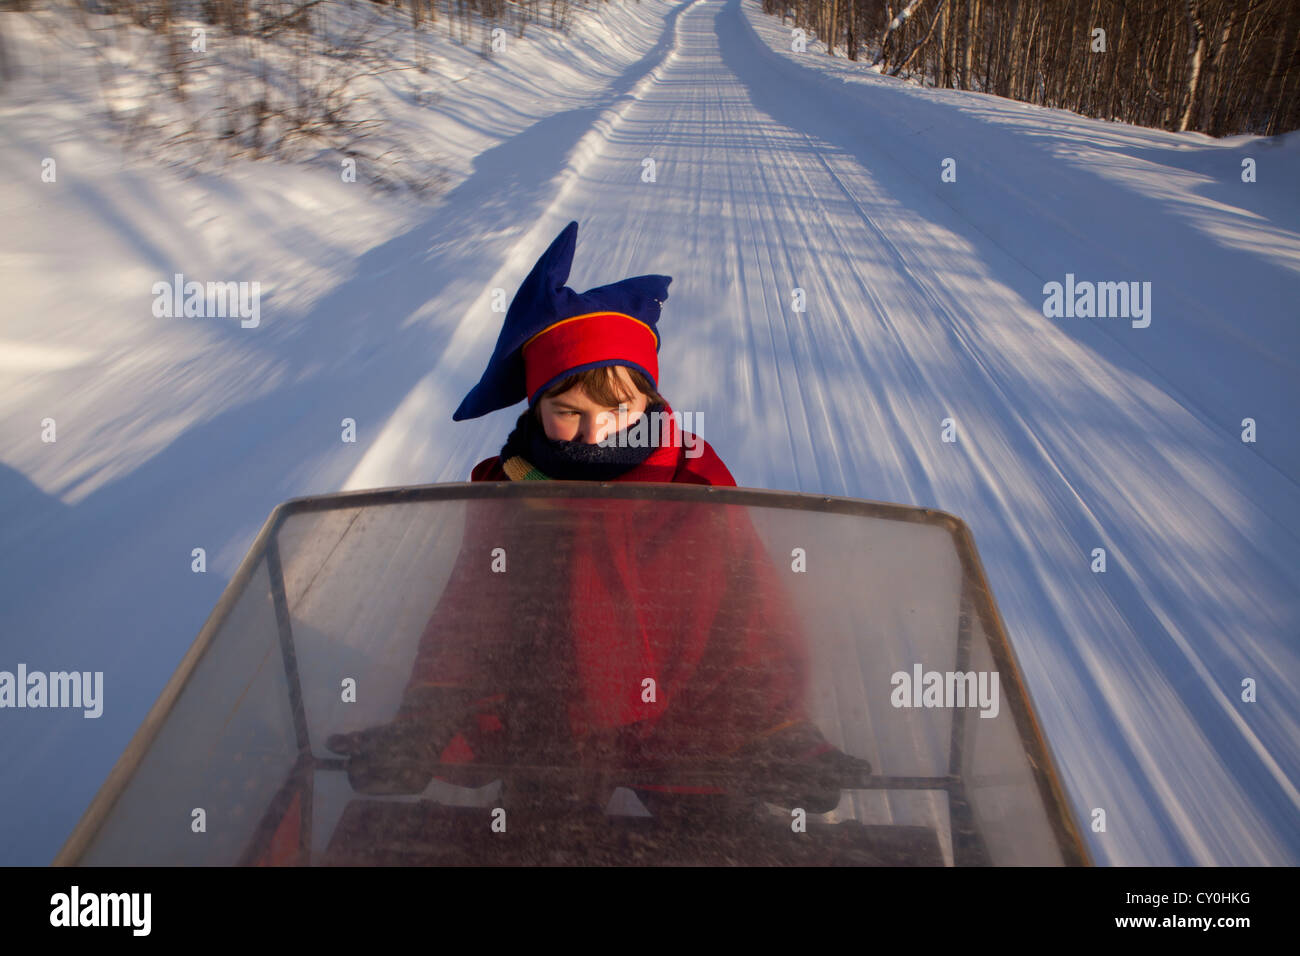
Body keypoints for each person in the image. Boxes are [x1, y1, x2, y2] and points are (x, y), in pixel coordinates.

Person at [327, 221, 868, 823]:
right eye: (567, 412)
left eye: (618, 408)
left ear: (650, 400)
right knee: (538, 843)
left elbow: (750, 611)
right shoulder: (512, 488)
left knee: (717, 842)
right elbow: (473, 613)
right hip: (552, 726)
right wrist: (425, 719)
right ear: (537, 406)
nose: (594, 432)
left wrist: (782, 731)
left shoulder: (693, 481)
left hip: (690, 720)